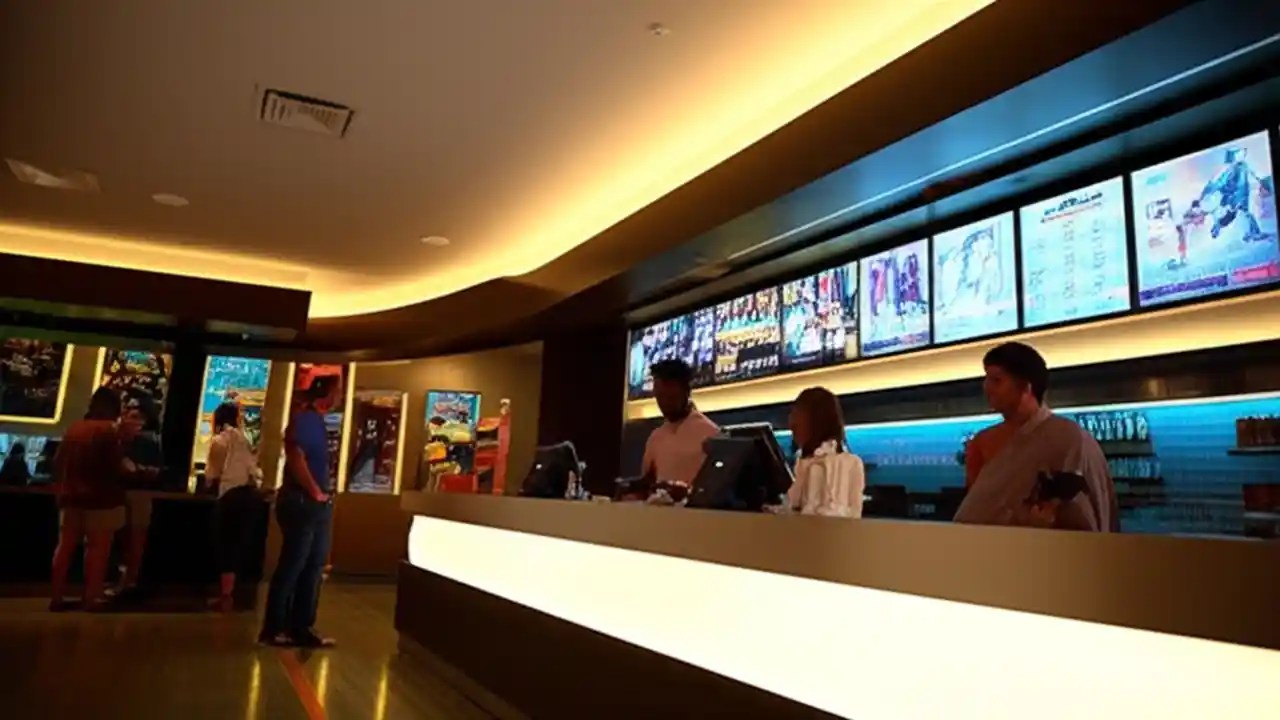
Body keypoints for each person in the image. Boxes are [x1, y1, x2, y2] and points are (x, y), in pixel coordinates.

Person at [955, 342, 1118, 531]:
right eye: (986, 379)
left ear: (1026, 388)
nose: (986, 387)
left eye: (996, 380)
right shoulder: (986, 440)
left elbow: (1081, 517)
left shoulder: (1066, 438)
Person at [260, 375, 340, 647]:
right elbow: (296, 455)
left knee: (313, 566)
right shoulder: (305, 419)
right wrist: (314, 490)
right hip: (303, 502)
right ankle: (275, 628)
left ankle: (301, 627)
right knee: (295, 564)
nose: (339, 397)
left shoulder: (314, 420)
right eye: (337, 391)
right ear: (326, 394)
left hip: (313, 502)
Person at [50, 387, 127, 611]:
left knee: (64, 547)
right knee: (97, 549)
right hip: (99, 499)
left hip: (70, 497)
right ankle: (91, 597)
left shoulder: (74, 429)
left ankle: (56, 596)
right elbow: (115, 467)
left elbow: (57, 461)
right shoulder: (109, 431)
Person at [206, 402, 260, 612]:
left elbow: (212, 475)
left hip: (229, 495)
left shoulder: (219, 441)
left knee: (225, 545)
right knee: (239, 545)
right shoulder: (244, 440)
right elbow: (254, 471)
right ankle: (236, 593)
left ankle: (225, 595)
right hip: (249, 496)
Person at [640, 359, 720, 496]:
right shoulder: (656, 438)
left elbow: (718, 489)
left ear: (686, 392)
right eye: (660, 396)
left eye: (671, 397)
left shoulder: (711, 434)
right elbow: (645, 486)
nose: (664, 403)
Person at [785, 387, 865, 517]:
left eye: (796, 423)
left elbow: (847, 516)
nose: (791, 424)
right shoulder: (803, 463)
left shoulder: (849, 463)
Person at [114, 403, 163, 601]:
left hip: (139, 495)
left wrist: (139, 470)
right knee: (121, 539)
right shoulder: (118, 441)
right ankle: (120, 580)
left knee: (135, 540)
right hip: (120, 494)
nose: (131, 421)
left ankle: (129, 582)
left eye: (136, 418)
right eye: (129, 416)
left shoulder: (148, 442)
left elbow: (157, 470)